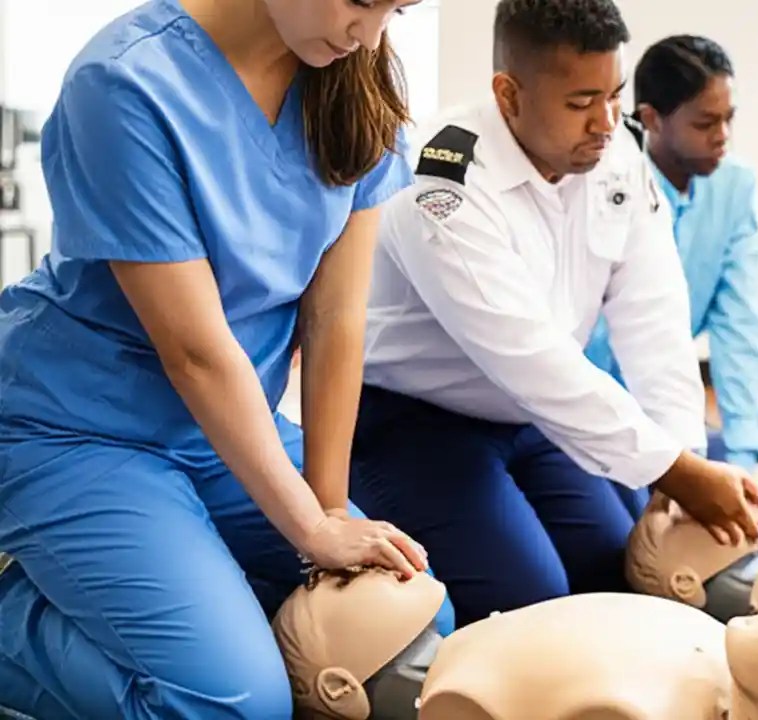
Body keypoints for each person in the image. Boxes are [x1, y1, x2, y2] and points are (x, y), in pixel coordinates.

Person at [0, 1, 446, 717]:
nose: (372, 32)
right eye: (363, 0)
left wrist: (330, 511)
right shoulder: (125, 83)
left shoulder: (357, 74)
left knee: (402, 632)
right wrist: (308, 529)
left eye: (395, 8)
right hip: (77, 429)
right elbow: (196, 353)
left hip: (221, 432)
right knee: (235, 704)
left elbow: (334, 319)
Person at [349, 0, 758, 631]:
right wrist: (678, 471)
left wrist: (677, 455)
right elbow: (527, 356)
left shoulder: (614, 154)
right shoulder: (441, 176)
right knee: (531, 604)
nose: (604, 122)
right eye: (580, 102)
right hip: (414, 426)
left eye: (615, 95)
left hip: (534, 420)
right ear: (509, 95)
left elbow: (654, 314)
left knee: (612, 566)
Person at [583, 35, 758, 475]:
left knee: (734, 497)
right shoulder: (604, 182)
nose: (722, 136)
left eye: (729, 119)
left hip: (667, 406)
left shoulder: (735, 187)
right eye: (705, 123)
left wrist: (744, 456)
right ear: (650, 119)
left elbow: (740, 323)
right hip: (593, 410)